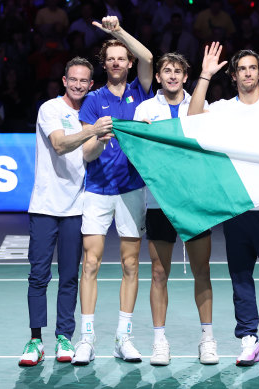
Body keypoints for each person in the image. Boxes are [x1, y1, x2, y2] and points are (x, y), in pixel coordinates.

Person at [188, 43, 259, 366]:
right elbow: (193, 118)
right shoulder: (223, 109)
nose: (248, 73)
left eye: (253, 68)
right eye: (242, 69)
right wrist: (206, 75)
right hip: (236, 208)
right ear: (234, 75)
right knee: (241, 279)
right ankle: (249, 339)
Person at [71, 16, 154, 366]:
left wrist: (118, 33)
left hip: (132, 189)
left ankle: (123, 337)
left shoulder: (142, 92)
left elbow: (150, 58)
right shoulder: (93, 101)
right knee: (89, 262)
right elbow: (85, 153)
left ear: (128, 63)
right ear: (104, 65)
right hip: (99, 189)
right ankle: (86, 339)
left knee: (131, 263)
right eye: (111, 58)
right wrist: (99, 139)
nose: (117, 63)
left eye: (122, 58)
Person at [19, 57, 112, 366]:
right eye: (73, 79)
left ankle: (63, 337)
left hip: (77, 208)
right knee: (39, 275)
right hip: (45, 207)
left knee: (70, 276)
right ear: (64, 80)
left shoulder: (89, 114)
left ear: (91, 85)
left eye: (84, 81)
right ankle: (35, 340)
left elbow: (89, 153)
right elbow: (59, 145)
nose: (78, 84)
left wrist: (99, 139)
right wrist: (92, 131)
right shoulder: (50, 109)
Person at [132, 52, 218, 366]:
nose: (171, 75)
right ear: (158, 77)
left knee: (202, 271)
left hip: (194, 202)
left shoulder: (198, 106)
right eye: (166, 70)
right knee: (158, 273)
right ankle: (159, 342)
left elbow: (202, 143)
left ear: (185, 77)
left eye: (178, 71)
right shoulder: (145, 109)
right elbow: (139, 152)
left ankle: (207, 339)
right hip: (158, 201)